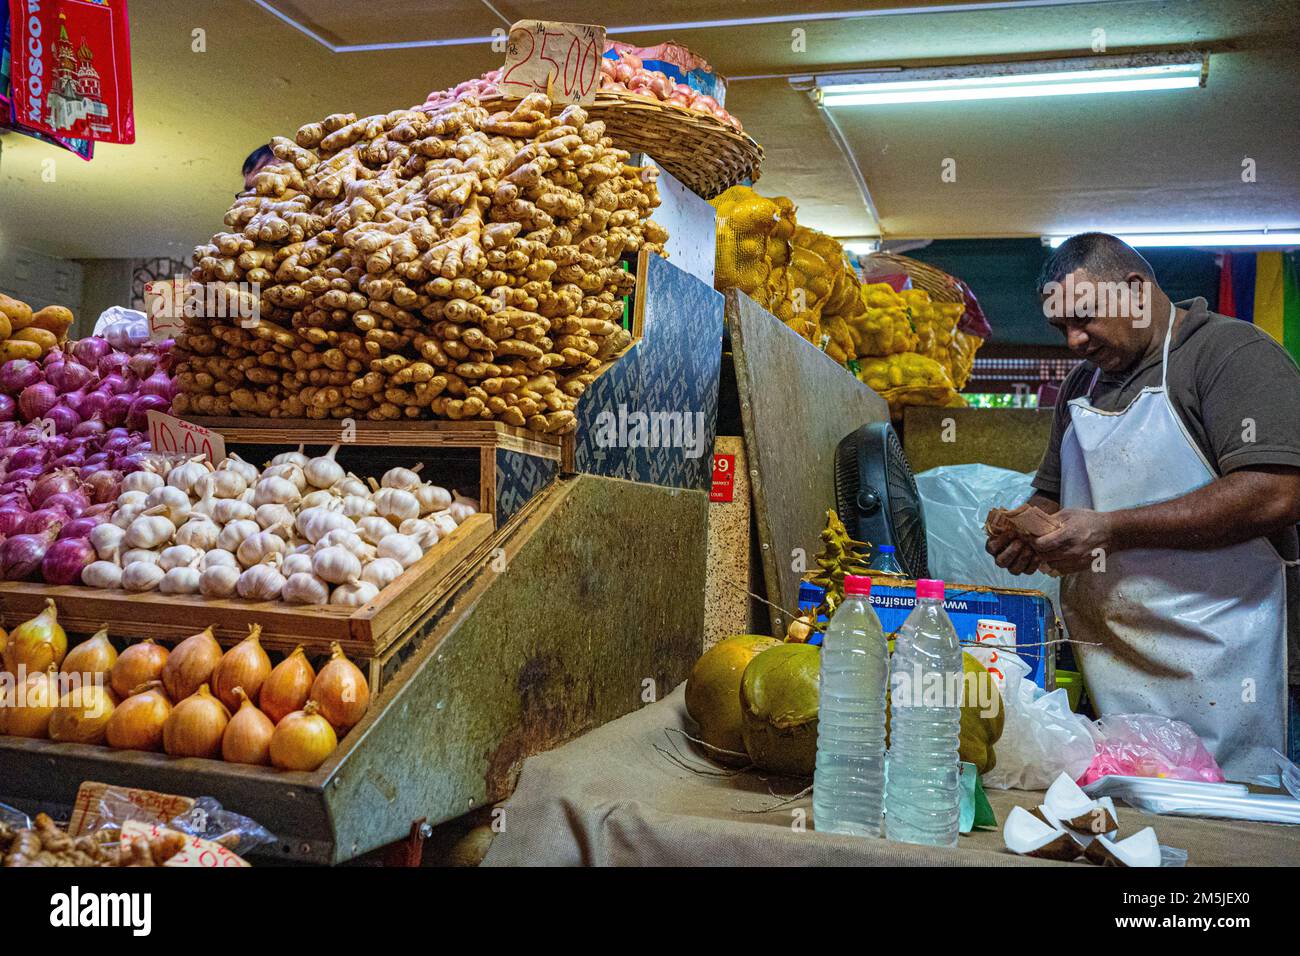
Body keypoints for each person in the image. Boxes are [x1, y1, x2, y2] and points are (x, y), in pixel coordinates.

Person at [985, 232, 1300, 779]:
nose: (1074, 342)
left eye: (1085, 318)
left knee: (1237, 841)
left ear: (1134, 290)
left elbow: (1275, 491)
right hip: (1115, 666)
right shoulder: (1082, 386)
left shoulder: (1230, 354)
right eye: (1061, 327)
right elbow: (1053, 497)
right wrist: (1030, 532)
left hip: (1232, 663)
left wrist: (1110, 531)